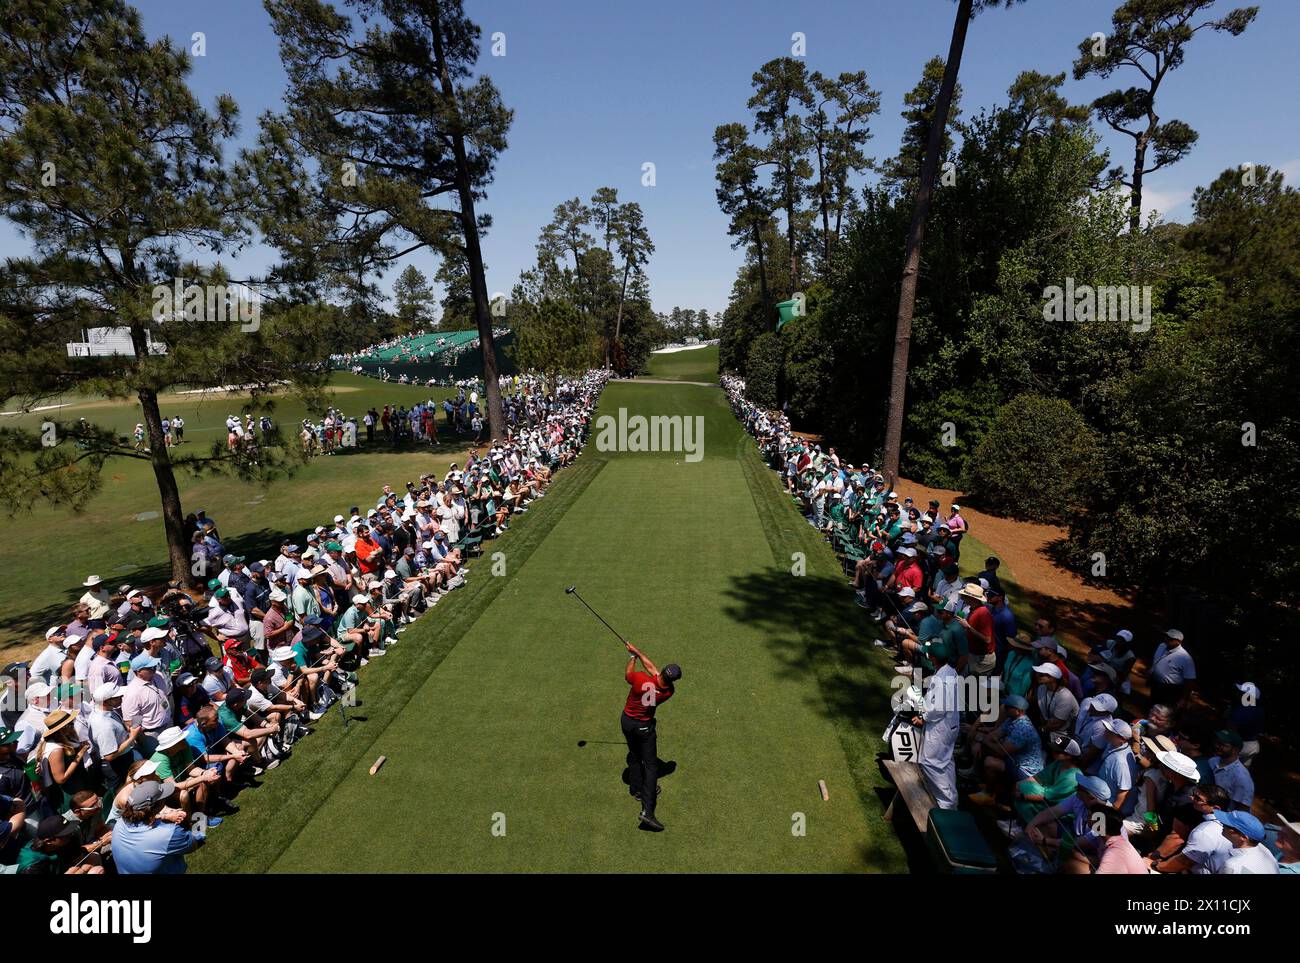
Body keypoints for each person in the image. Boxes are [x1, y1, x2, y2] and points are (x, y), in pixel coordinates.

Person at [620, 641, 681, 832]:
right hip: (644, 728)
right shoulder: (668, 691)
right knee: (651, 766)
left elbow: (628, 675)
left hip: (627, 722)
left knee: (635, 756)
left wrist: (632, 657)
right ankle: (647, 810)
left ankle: (636, 789)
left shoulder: (639, 679)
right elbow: (652, 668)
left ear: (661, 671)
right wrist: (637, 651)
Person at [111, 780, 203, 874]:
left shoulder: (119, 824)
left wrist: (165, 817)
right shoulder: (169, 834)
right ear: (157, 806)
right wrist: (196, 822)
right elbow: (193, 844)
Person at [913, 639, 960, 811]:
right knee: (945, 762)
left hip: (941, 727)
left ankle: (945, 803)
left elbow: (939, 707)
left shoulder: (942, 679)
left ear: (932, 658)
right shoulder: (950, 671)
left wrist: (923, 717)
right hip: (949, 725)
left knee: (930, 762)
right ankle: (952, 799)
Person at [1148, 628, 1196, 710]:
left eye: (1170, 638)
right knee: (1151, 708)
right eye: (1166, 636)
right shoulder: (1161, 646)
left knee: (1164, 713)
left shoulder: (1185, 658)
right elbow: (1156, 660)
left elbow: (1190, 680)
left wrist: (1184, 699)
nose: (1166, 639)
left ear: (1179, 642)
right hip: (1156, 685)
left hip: (1171, 691)